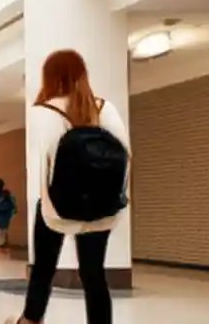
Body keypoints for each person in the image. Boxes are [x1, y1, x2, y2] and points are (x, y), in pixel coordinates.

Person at [7, 49, 131, 324]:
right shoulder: (103, 108)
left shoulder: (42, 111)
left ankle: (30, 320)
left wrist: (49, 203)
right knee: (93, 274)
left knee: (43, 269)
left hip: (58, 208)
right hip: (101, 208)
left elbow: (43, 163)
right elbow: (125, 155)